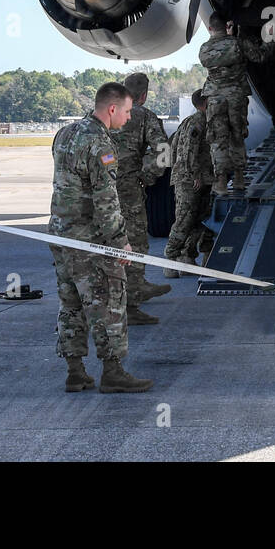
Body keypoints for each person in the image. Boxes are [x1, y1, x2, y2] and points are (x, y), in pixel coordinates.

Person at [49, 82, 153, 394]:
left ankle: (75, 371)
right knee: (108, 301)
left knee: (70, 302)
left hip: (60, 233)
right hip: (89, 238)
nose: (129, 118)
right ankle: (113, 371)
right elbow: (105, 199)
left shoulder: (65, 133)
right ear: (112, 109)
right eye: (127, 111)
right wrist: (120, 241)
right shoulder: (101, 144)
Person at [111, 72, 171, 317]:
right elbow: (164, 151)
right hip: (128, 188)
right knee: (134, 242)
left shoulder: (108, 112)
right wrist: (146, 177)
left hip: (100, 188)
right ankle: (131, 302)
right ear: (144, 95)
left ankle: (122, 291)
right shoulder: (144, 116)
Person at [200, 13, 272, 194]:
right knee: (237, 136)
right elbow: (261, 56)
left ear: (210, 29)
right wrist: (270, 37)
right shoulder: (238, 44)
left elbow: (218, 53)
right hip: (236, 97)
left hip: (215, 99)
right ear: (228, 25)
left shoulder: (204, 49)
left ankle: (221, 181)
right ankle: (239, 178)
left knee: (218, 139)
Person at [164, 90, 214, 276]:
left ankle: (187, 257)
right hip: (189, 180)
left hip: (200, 178)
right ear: (206, 101)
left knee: (199, 220)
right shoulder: (197, 122)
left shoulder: (196, 121)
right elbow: (187, 151)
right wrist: (195, 175)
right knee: (185, 220)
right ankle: (170, 259)